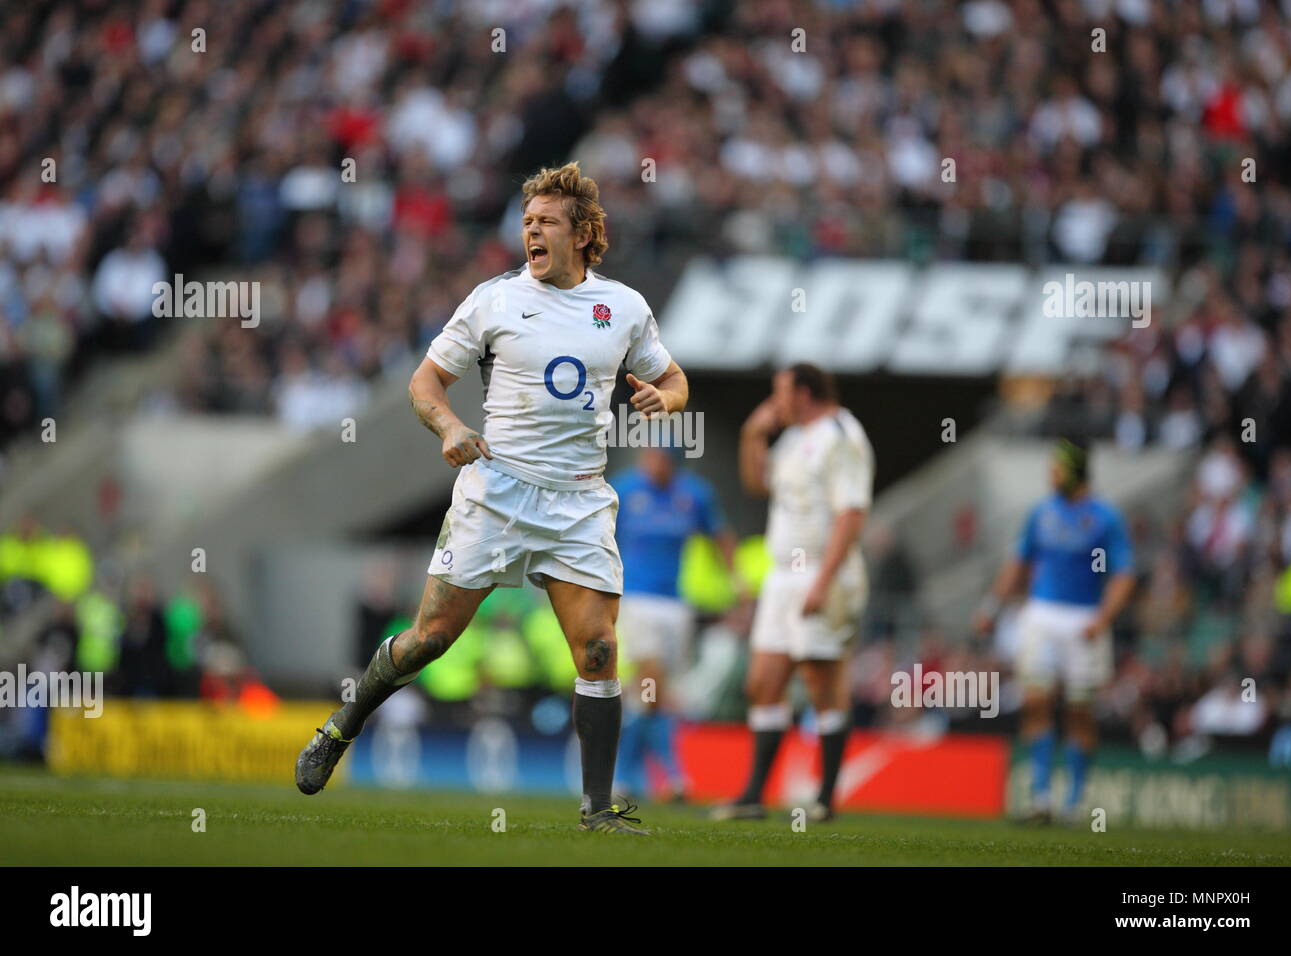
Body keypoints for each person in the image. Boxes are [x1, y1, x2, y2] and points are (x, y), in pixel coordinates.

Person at [296, 162, 689, 834]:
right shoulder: (494, 300)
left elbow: (674, 377)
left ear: (584, 233)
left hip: (578, 501)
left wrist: (666, 397)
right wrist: (449, 426)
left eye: (546, 222)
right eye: (527, 221)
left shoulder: (622, 307)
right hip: (497, 492)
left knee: (596, 651)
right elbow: (425, 382)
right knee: (431, 640)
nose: (531, 230)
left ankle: (597, 810)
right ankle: (343, 723)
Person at [713, 363, 872, 823]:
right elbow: (757, 484)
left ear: (804, 393)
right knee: (762, 682)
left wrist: (823, 583)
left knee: (822, 684)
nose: (776, 401)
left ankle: (825, 798)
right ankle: (753, 796)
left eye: (781, 392)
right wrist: (750, 436)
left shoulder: (842, 435)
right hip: (783, 576)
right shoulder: (792, 437)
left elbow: (852, 514)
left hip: (823, 573)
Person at [973, 439, 1136, 824]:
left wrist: (1103, 617)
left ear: (1077, 471)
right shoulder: (1041, 513)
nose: (1051, 474)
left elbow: (1124, 575)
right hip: (1042, 616)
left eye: (1058, 468)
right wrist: (991, 607)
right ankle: (1041, 797)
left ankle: (1075, 803)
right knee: (1037, 701)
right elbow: (1018, 564)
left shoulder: (1105, 518)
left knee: (1079, 712)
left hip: (1084, 620)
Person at [610, 447, 735, 801]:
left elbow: (719, 536)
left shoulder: (694, 494)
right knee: (652, 683)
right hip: (636, 598)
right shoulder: (624, 489)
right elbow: (598, 534)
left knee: (652, 698)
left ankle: (624, 779)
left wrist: (735, 581)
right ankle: (672, 775)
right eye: (648, 456)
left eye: (658, 457)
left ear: (673, 461)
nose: (650, 463)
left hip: (675, 605)